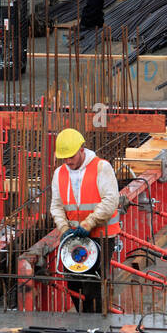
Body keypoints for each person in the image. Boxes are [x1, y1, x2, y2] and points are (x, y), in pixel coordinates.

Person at [50, 128, 120, 314]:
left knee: (93, 285)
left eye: (71, 156)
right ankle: (83, 319)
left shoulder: (101, 167)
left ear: (82, 149)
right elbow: (56, 205)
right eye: (64, 157)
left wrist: (89, 223)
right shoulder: (59, 173)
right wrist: (63, 227)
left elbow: (111, 200)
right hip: (74, 238)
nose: (68, 161)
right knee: (73, 282)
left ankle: (94, 325)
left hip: (100, 236)